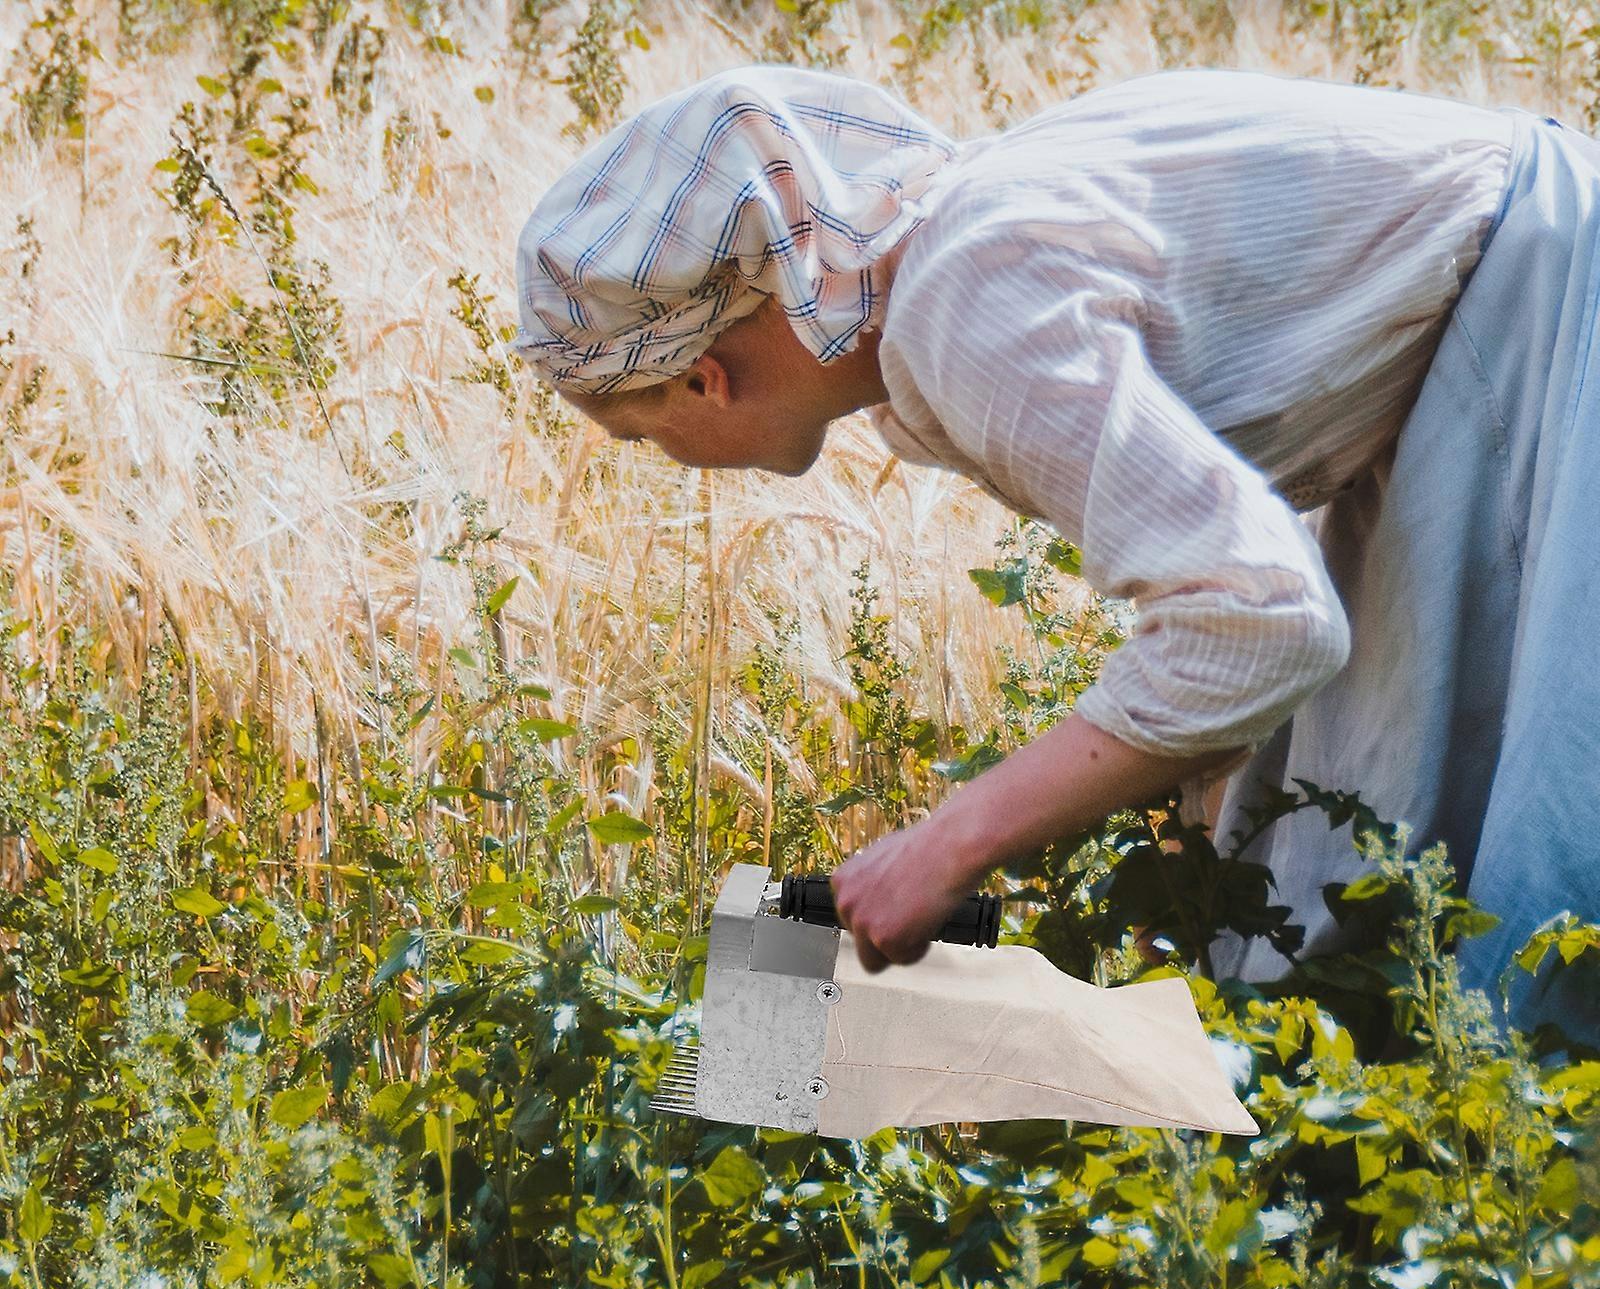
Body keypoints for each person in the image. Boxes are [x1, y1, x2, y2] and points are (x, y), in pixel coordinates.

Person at [510, 63, 1600, 1046]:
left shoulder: (966, 303)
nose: (663, 462)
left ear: (701, 378)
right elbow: (1225, 613)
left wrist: (941, 847)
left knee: (1529, 944)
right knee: (1345, 913)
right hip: (1482, 360)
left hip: (1549, 333)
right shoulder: (943, 290)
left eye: (636, 433)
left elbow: (1261, 621)